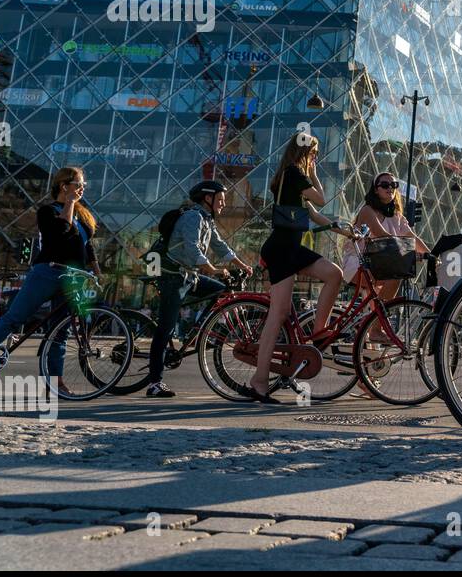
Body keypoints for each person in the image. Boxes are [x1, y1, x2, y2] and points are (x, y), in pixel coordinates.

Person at [0, 166, 101, 389]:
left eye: (84, 184)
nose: (82, 188)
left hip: (72, 276)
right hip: (48, 271)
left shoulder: (82, 215)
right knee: (14, 318)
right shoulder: (48, 211)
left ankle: (54, 381)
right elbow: (60, 233)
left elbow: (86, 243)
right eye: (78, 184)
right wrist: (70, 203)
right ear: (64, 186)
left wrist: (95, 268)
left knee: (61, 330)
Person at [249, 132, 351, 404]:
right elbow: (319, 198)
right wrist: (315, 172)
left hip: (289, 248)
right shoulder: (293, 173)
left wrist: (343, 232)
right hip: (283, 250)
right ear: (304, 152)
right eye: (314, 152)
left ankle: (319, 329)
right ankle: (259, 381)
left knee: (334, 274)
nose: (315, 156)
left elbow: (314, 215)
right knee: (278, 314)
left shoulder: (290, 178)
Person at [147, 180, 252, 398]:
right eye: (220, 200)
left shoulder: (206, 219)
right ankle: (154, 383)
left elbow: (219, 245)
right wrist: (211, 269)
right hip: (173, 277)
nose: (223, 204)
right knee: (165, 328)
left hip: (189, 276)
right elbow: (191, 246)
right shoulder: (192, 217)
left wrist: (242, 265)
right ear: (207, 198)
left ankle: (203, 331)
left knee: (223, 290)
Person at [342, 171, 428, 305]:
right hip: (358, 264)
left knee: (375, 317)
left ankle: (373, 322)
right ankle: (377, 320)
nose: (390, 188)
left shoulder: (397, 217)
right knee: (394, 278)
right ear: (376, 190)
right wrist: (411, 253)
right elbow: (382, 235)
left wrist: (431, 255)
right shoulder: (367, 211)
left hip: (379, 264)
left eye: (394, 185)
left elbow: (414, 238)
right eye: (385, 185)